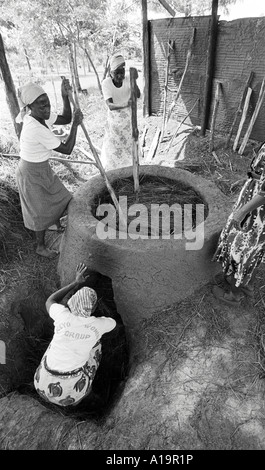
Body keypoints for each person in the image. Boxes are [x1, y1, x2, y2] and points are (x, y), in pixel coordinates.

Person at [212, 72, 265, 306]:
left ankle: (234, 293)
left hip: (264, 203)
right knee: (253, 243)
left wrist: (241, 211)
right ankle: (244, 283)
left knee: (243, 244)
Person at [15, 78, 83, 259]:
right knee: (38, 210)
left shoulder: (41, 116)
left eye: (48, 105)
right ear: (30, 107)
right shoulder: (35, 127)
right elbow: (67, 149)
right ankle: (40, 246)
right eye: (42, 106)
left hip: (41, 167)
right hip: (30, 172)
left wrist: (64, 96)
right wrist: (75, 126)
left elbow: (65, 118)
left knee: (61, 197)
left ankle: (54, 223)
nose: (47, 110)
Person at [34, 263, 116, 407]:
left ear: (71, 304)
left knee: (56, 342)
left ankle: (51, 398)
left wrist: (75, 283)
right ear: (94, 307)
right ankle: (87, 393)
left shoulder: (62, 315)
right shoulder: (96, 325)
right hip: (70, 394)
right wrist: (96, 321)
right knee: (96, 344)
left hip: (40, 383)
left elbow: (50, 301)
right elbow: (113, 323)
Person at [100, 52, 140, 170]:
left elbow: (137, 95)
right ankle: (114, 171)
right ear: (111, 73)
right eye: (117, 73)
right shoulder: (106, 83)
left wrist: (134, 81)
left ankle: (130, 169)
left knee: (129, 145)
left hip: (128, 119)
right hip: (115, 120)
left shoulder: (128, 79)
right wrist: (125, 104)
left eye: (122, 72)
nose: (120, 75)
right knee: (114, 146)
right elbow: (110, 105)